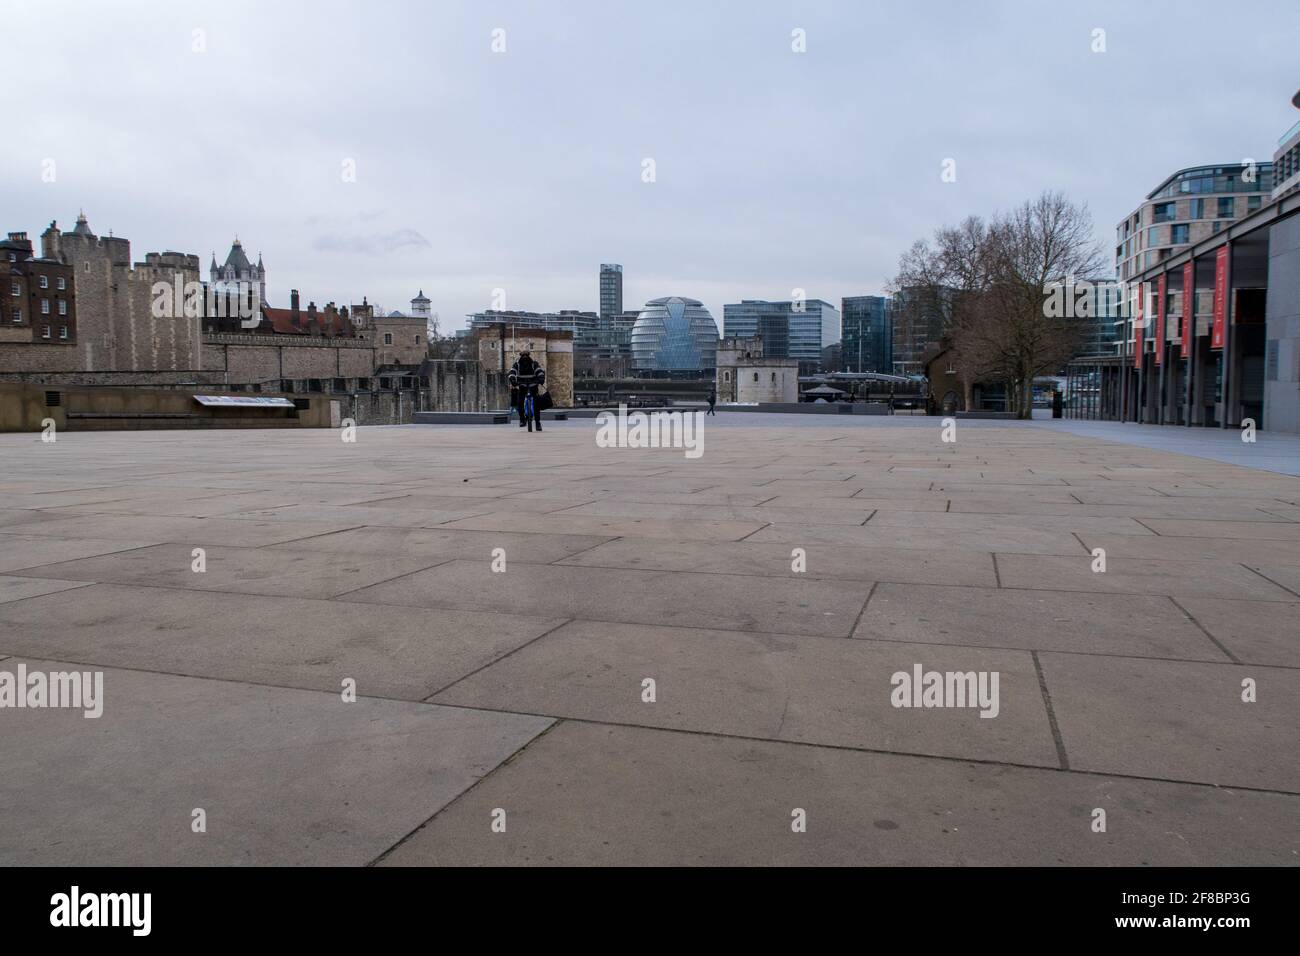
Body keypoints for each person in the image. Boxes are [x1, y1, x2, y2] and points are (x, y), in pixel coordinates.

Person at [508, 350, 546, 432]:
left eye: (526, 355)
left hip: (532, 385)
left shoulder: (533, 364)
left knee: (536, 404)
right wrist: (512, 379)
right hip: (522, 385)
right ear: (521, 356)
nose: (525, 357)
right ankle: (522, 419)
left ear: (528, 355)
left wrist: (541, 378)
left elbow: (539, 371)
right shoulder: (517, 364)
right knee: (520, 402)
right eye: (523, 355)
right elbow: (512, 372)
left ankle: (537, 423)